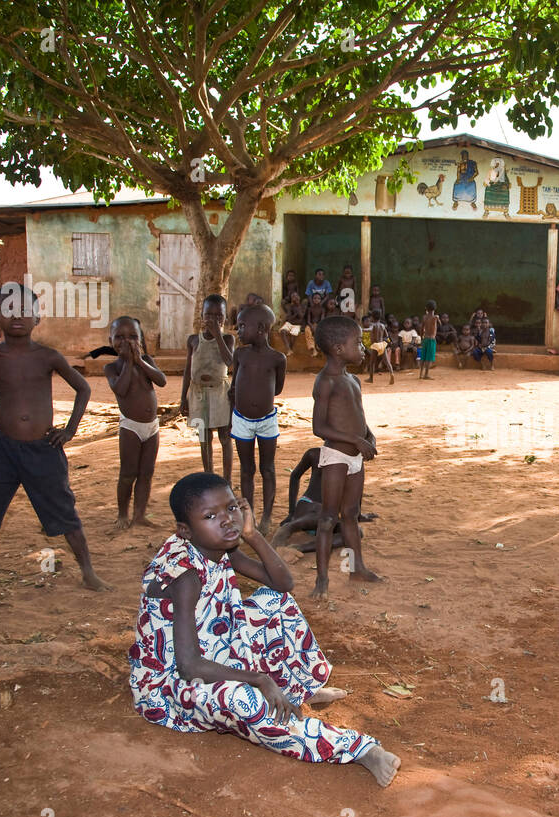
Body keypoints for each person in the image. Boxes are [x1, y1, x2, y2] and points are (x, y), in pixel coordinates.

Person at [130, 472, 399, 786]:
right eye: (210, 516)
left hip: (214, 647)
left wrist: (253, 535)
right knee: (243, 701)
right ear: (184, 530)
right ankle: (358, 749)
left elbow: (283, 583)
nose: (227, 520)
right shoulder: (185, 574)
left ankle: (297, 690)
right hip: (171, 686)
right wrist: (259, 679)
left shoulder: (219, 548)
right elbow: (188, 665)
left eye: (232, 508)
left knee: (275, 601)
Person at [0, 283, 108, 595]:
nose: (17, 315)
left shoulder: (48, 357)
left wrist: (70, 430)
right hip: (3, 450)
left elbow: (83, 388)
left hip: (44, 449)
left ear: (37, 317)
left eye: (25, 309)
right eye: (8, 308)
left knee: (65, 511)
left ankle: (88, 572)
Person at [311, 315, 381, 597]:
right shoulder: (325, 382)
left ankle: (356, 568)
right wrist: (355, 440)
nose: (363, 348)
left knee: (350, 514)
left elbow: (359, 417)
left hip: (355, 459)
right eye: (358, 343)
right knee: (328, 518)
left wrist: (369, 435)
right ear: (339, 349)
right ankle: (322, 580)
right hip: (336, 457)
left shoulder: (353, 380)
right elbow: (319, 427)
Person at [104, 316, 167, 532]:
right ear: (110, 339)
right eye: (119, 337)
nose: (126, 342)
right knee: (128, 473)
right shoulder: (112, 367)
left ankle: (140, 515)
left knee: (146, 472)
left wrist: (140, 360)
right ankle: (123, 513)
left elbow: (161, 380)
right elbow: (120, 389)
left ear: (140, 339)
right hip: (130, 427)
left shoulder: (147, 360)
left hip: (152, 427)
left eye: (132, 337)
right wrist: (129, 362)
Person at [230, 304, 287, 535]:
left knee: (268, 468)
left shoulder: (277, 359)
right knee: (246, 469)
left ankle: (267, 517)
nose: (239, 330)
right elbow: (234, 385)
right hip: (241, 420)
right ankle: (249, 515)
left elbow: (278, 389)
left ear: (261, 328)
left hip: (267, 421)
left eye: (243, 326)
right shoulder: (240, 354)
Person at [270, 446, 377, 552]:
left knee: (357, 532)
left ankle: (301, 548)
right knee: (323, 514)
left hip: (329, 516)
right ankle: (289, 528)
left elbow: (357, 490)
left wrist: (358, 515)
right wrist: (291, 512)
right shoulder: (315, 454)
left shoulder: (354, 460)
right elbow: (295, 476)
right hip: (309, 506)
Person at [181, 295, 234, 482]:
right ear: (202, 317)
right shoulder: (194, 340)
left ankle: (227, 480)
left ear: (225, 318)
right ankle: (209, 477)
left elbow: (230, 362)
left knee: (225, 437)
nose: (213, 319)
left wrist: (218, 334)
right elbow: (188, 370)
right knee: (204, 438)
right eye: (208, 315)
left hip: (220, 392)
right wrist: (183, 398)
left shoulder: (227, 339)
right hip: (198, 393)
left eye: (218, 315)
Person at [365, 313, 395, 384]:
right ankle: (391, 374)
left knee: (372, 363)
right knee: (387, 362)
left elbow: (370, 331)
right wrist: (389, 343)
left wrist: (362, 330)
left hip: (375, 345)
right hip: (382, 344)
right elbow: (387, 336)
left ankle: (371, 378)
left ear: (372, 318)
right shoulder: (382, 326)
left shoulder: (373, 326)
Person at [420, 301, 439, 379]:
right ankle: (426, 374)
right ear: (435, 308)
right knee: (429, 358)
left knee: (423, 357)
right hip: (431, 339)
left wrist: (421, 337)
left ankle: (421, 374)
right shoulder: (435, 317)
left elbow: (421, 328)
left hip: (425, 338)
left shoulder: (424, 317)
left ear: (426, 308)